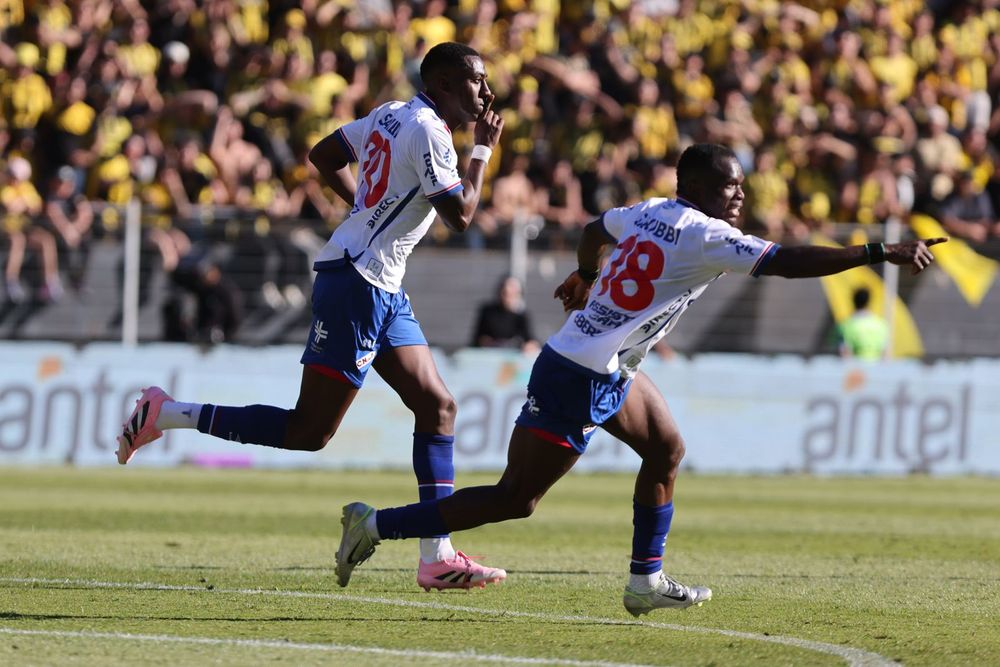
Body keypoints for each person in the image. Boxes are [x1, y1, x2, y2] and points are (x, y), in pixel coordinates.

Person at [334, 143, 945, 613]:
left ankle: (645, 581)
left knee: (666, 449)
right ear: (700, 187)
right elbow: (785, 262)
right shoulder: (708, 234)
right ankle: (376, 524)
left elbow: (595, 229)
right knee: (515, 499)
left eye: (741, 186)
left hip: (600, 364)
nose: (739, 196)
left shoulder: (651, 211)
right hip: (580, 374)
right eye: (729, 186)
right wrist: (876, 252)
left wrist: (582, 275)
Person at [116, 42, 507, 591]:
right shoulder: (431, 132)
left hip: (379, 281)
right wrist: (484, 151)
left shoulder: (392, 113)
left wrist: (361, 212)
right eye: (475, 81)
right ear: (442, 84)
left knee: (437, 406)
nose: (485, 91)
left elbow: (324, 155)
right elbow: (461, 214)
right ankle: (166, 413)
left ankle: (436, 555)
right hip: (358, 286)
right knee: (309, 431)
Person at [471, 274, 539, 353]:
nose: (508, 298)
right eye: (506, 294)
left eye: (513, 294)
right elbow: (476, 340)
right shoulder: (488, 312)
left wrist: (530, 346)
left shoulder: (522, 316)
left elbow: (531, 340)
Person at [837, 287, 889, 361]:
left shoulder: (846, 325)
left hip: (856, 370)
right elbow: (884, 353)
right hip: (876, 369)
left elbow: (845, 354)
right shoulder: (881, 324)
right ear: (869, 302)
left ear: (853, 301)